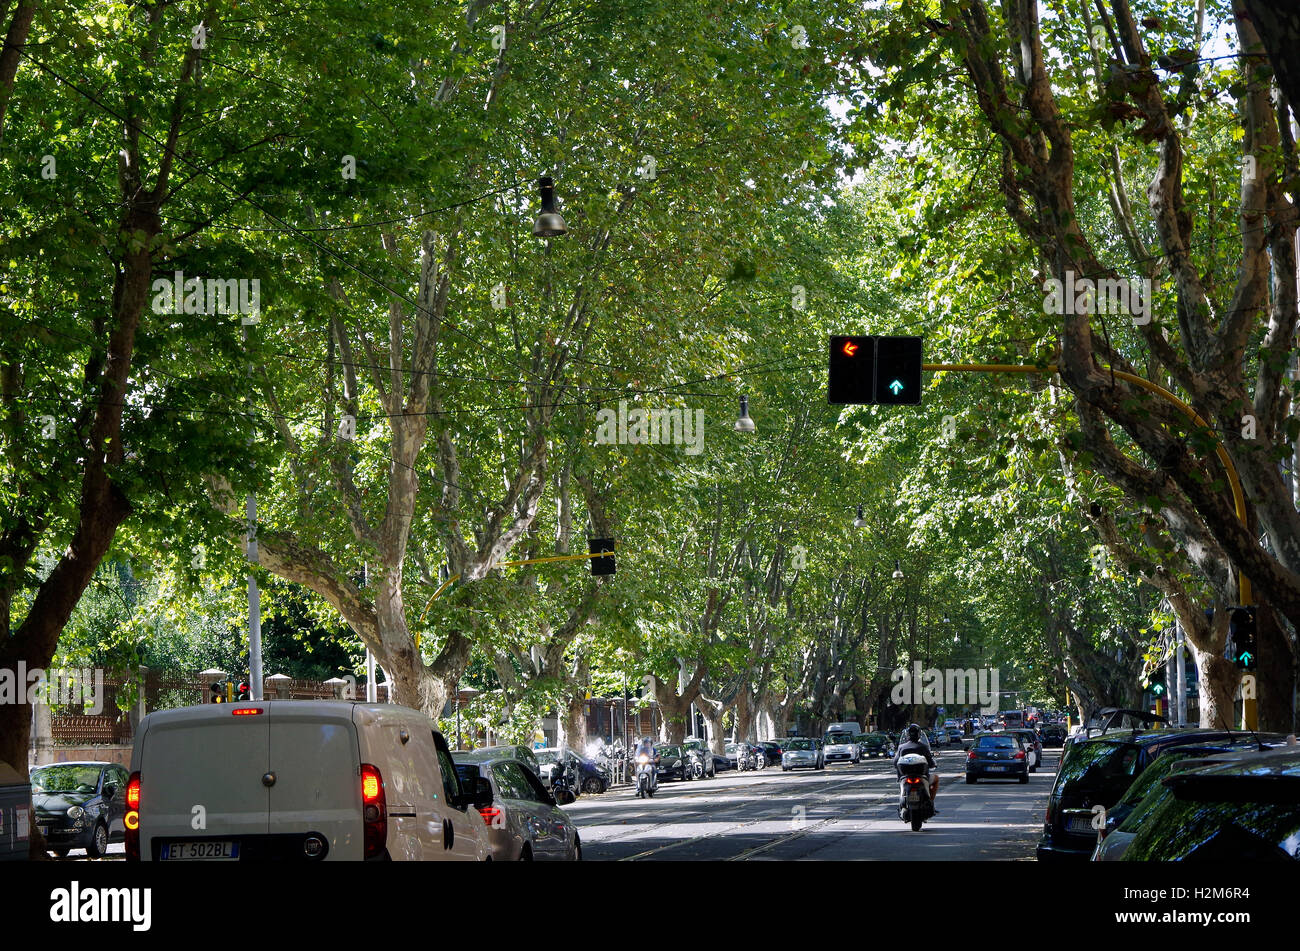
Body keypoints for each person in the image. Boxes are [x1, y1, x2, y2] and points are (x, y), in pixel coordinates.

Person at [893, 723, 940, 811]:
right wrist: (934, 764)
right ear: (919, 735)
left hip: (905, 778)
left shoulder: (901, 747)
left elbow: (895, 762)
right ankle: (931, 801)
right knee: (936, 779)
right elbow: (930, 762)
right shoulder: (923, 747)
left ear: (907, 735)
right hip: (921, 778)